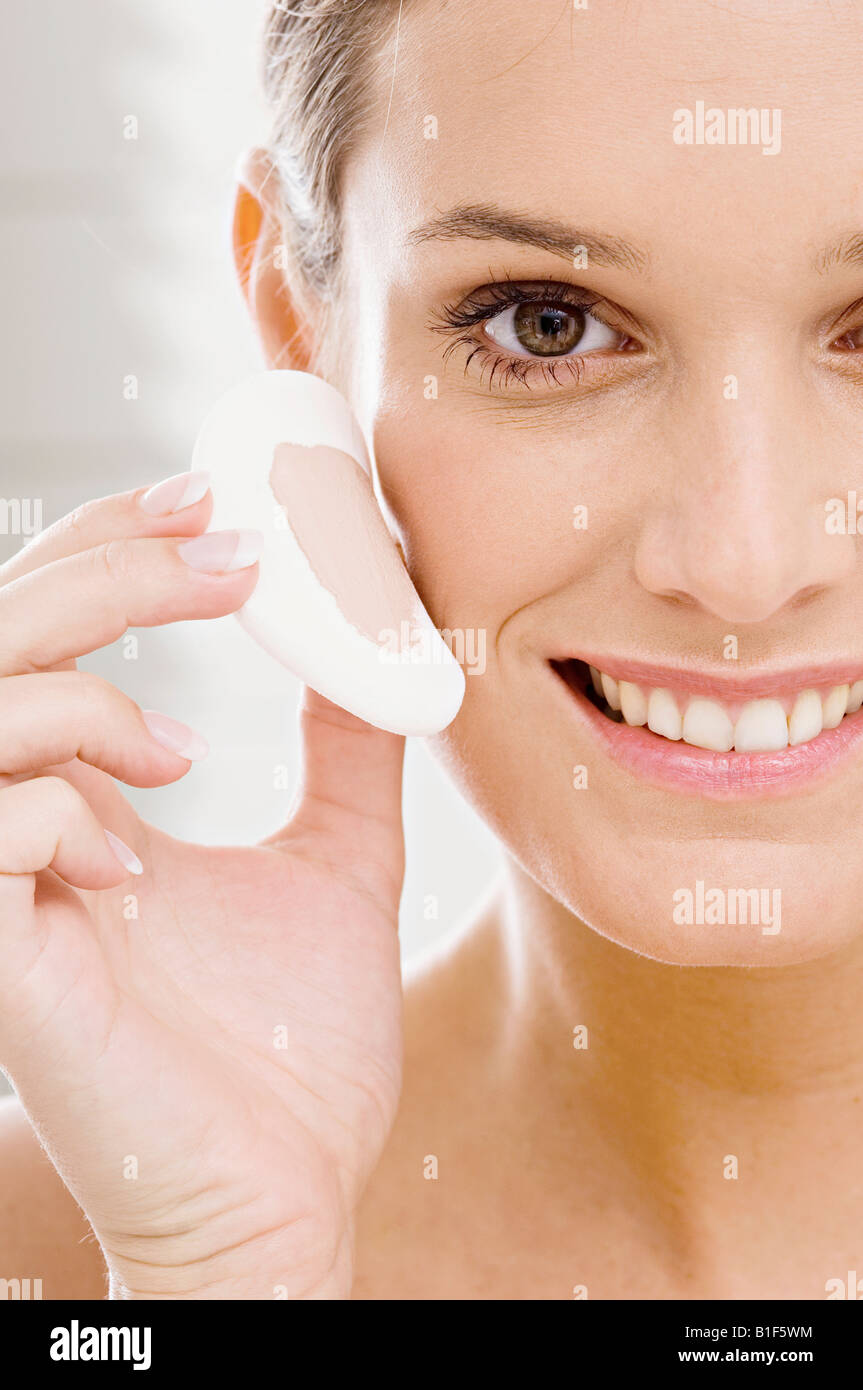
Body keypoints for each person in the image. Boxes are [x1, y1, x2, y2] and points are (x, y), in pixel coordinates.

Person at [2, 0, 863, 1300]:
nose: (743, 561)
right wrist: (218, 1284)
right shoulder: (61, 1251)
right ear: (303, 334)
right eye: (547, 324)